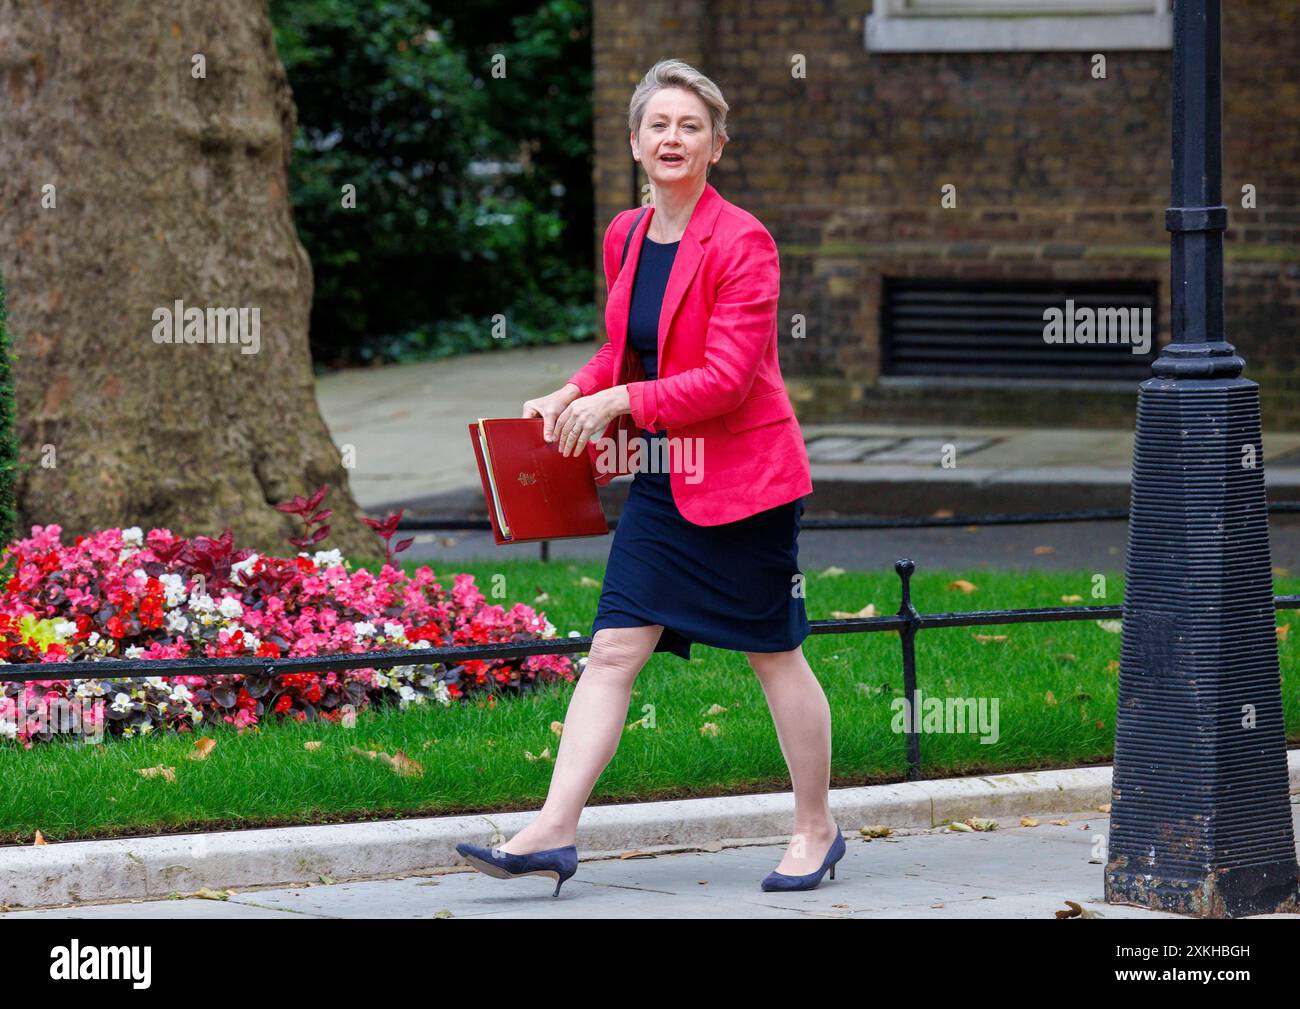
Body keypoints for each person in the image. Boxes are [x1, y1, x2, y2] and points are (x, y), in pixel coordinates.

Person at [456, 58, 844, 897]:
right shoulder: (626, 236)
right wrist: (573, 391)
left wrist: (623, 400)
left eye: (690, 126)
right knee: (611, 650)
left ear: (716, 146)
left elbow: (728, 379)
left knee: (774, 655)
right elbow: (624, 347)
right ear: (634, 142)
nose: (673, 138)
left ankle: (816, 826)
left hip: (746, 483)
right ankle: (555, 829)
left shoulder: (744, 242)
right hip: (666, 479)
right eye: (658, 125)